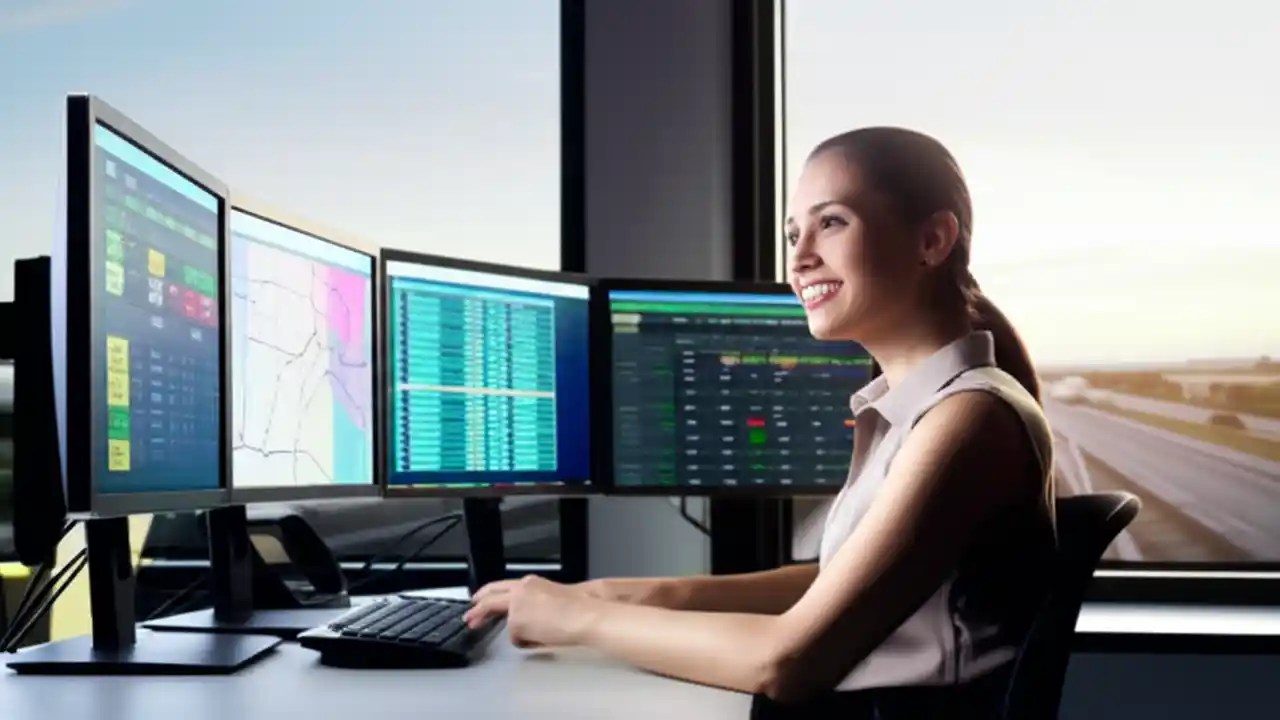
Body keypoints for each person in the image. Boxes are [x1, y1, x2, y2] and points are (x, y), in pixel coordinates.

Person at [463, 127, 1058, 717]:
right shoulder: (924, 409)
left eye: (831, 222)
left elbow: (787, 661)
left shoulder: (968, 420)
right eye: (793, 233)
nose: (798, 259)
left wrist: (576, 618)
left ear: (931, 239)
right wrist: (633, 594)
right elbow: (837, 585)